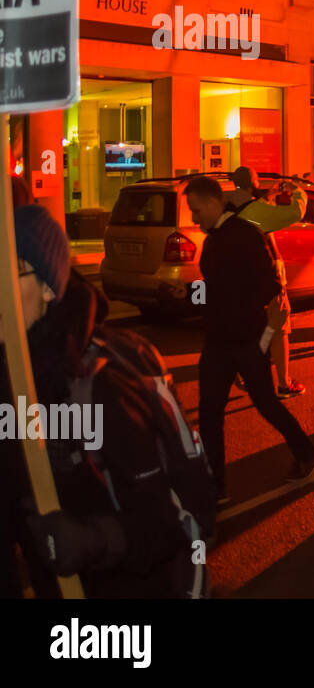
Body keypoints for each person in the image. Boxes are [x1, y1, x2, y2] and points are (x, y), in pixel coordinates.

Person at [2, 206, 212, 598]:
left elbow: (178, 520)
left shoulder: (102, 383)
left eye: (11, 271)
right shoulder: (10, 382)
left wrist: (93, 541)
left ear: (49, 287)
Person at [184, 176, 314, 504]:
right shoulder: (214, 238)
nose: (193, 217)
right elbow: (214, 286)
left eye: (195, 209)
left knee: (266, 402)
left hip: (246, 339)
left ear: (214, 203)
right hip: (218, 341)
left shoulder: (245, 233)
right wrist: (195, 296)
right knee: (209, 412)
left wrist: (259, 325)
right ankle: (216, 487)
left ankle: (306, 452)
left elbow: (269, 284)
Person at [227, 167, 307, 398]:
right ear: (254, 182)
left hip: (236, 281)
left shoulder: (226, 207)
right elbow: (295, 211)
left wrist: (267, 196)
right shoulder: (254, 211)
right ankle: (284, 384)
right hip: (264, 280)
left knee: (251, 330)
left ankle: (242, 371)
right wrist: (296, 188)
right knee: (278, 328)